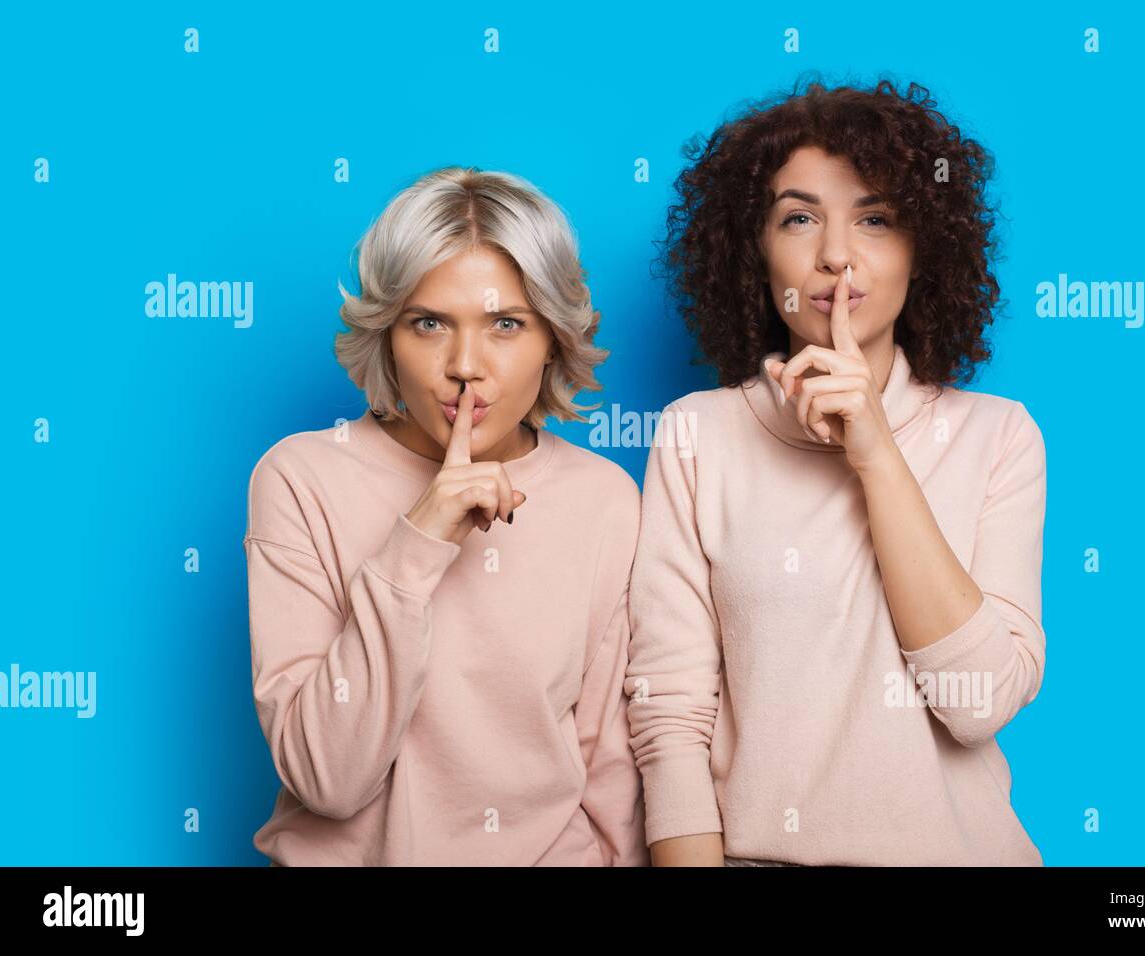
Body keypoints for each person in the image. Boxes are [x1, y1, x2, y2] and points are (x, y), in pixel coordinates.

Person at [625, 76, 1047, 866]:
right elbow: (670, 716)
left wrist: (876, 452)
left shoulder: (999, 437)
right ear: (754, 249)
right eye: (798, 218)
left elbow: (979, 702)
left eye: (876, 218)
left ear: (925, 249)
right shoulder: (697, 434)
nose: (837, 256)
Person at [243, 167, 647, 865]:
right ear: (388, 336)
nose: (465, 364)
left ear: (551, 336)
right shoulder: (302, 477)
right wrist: (419, 541)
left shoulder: (603, 497)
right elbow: (326, 780)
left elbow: (609, 771)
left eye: (505, 324)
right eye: (429, 324)